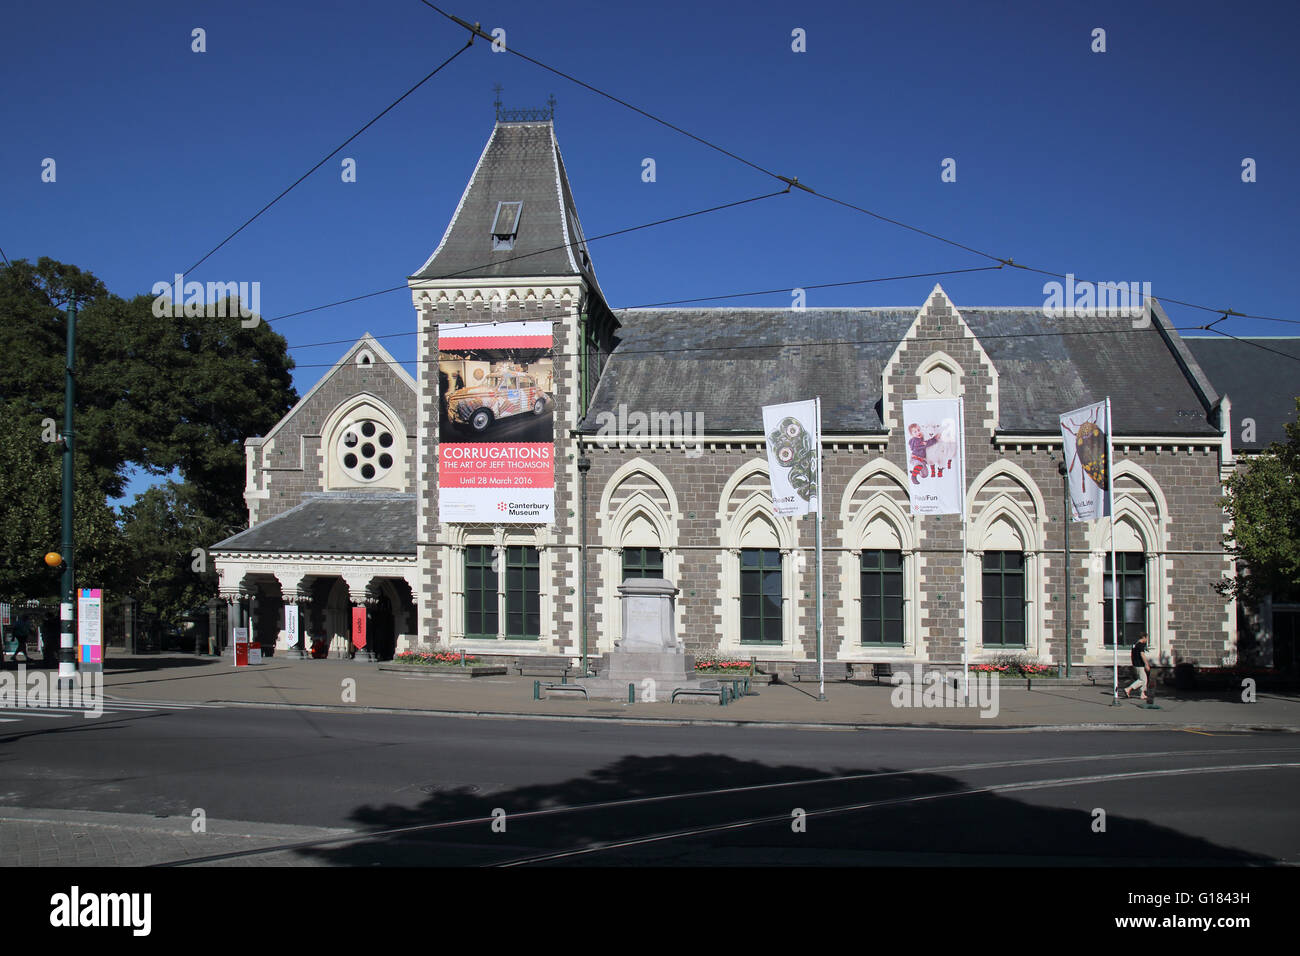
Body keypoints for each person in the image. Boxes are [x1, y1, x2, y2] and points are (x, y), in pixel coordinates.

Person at [1125, 632, 1152, 700]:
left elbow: (1132, 654)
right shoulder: (1140, 645)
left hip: (1135, 664)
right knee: (1142, 680)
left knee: (1144, 679)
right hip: (1140, 664)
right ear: (1143, 637)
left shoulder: (1135, 644)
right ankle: (1128, 689)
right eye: (1146, 638)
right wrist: (1146, 664)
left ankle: (1142, 694)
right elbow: (1142, 655)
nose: (1147, 640)